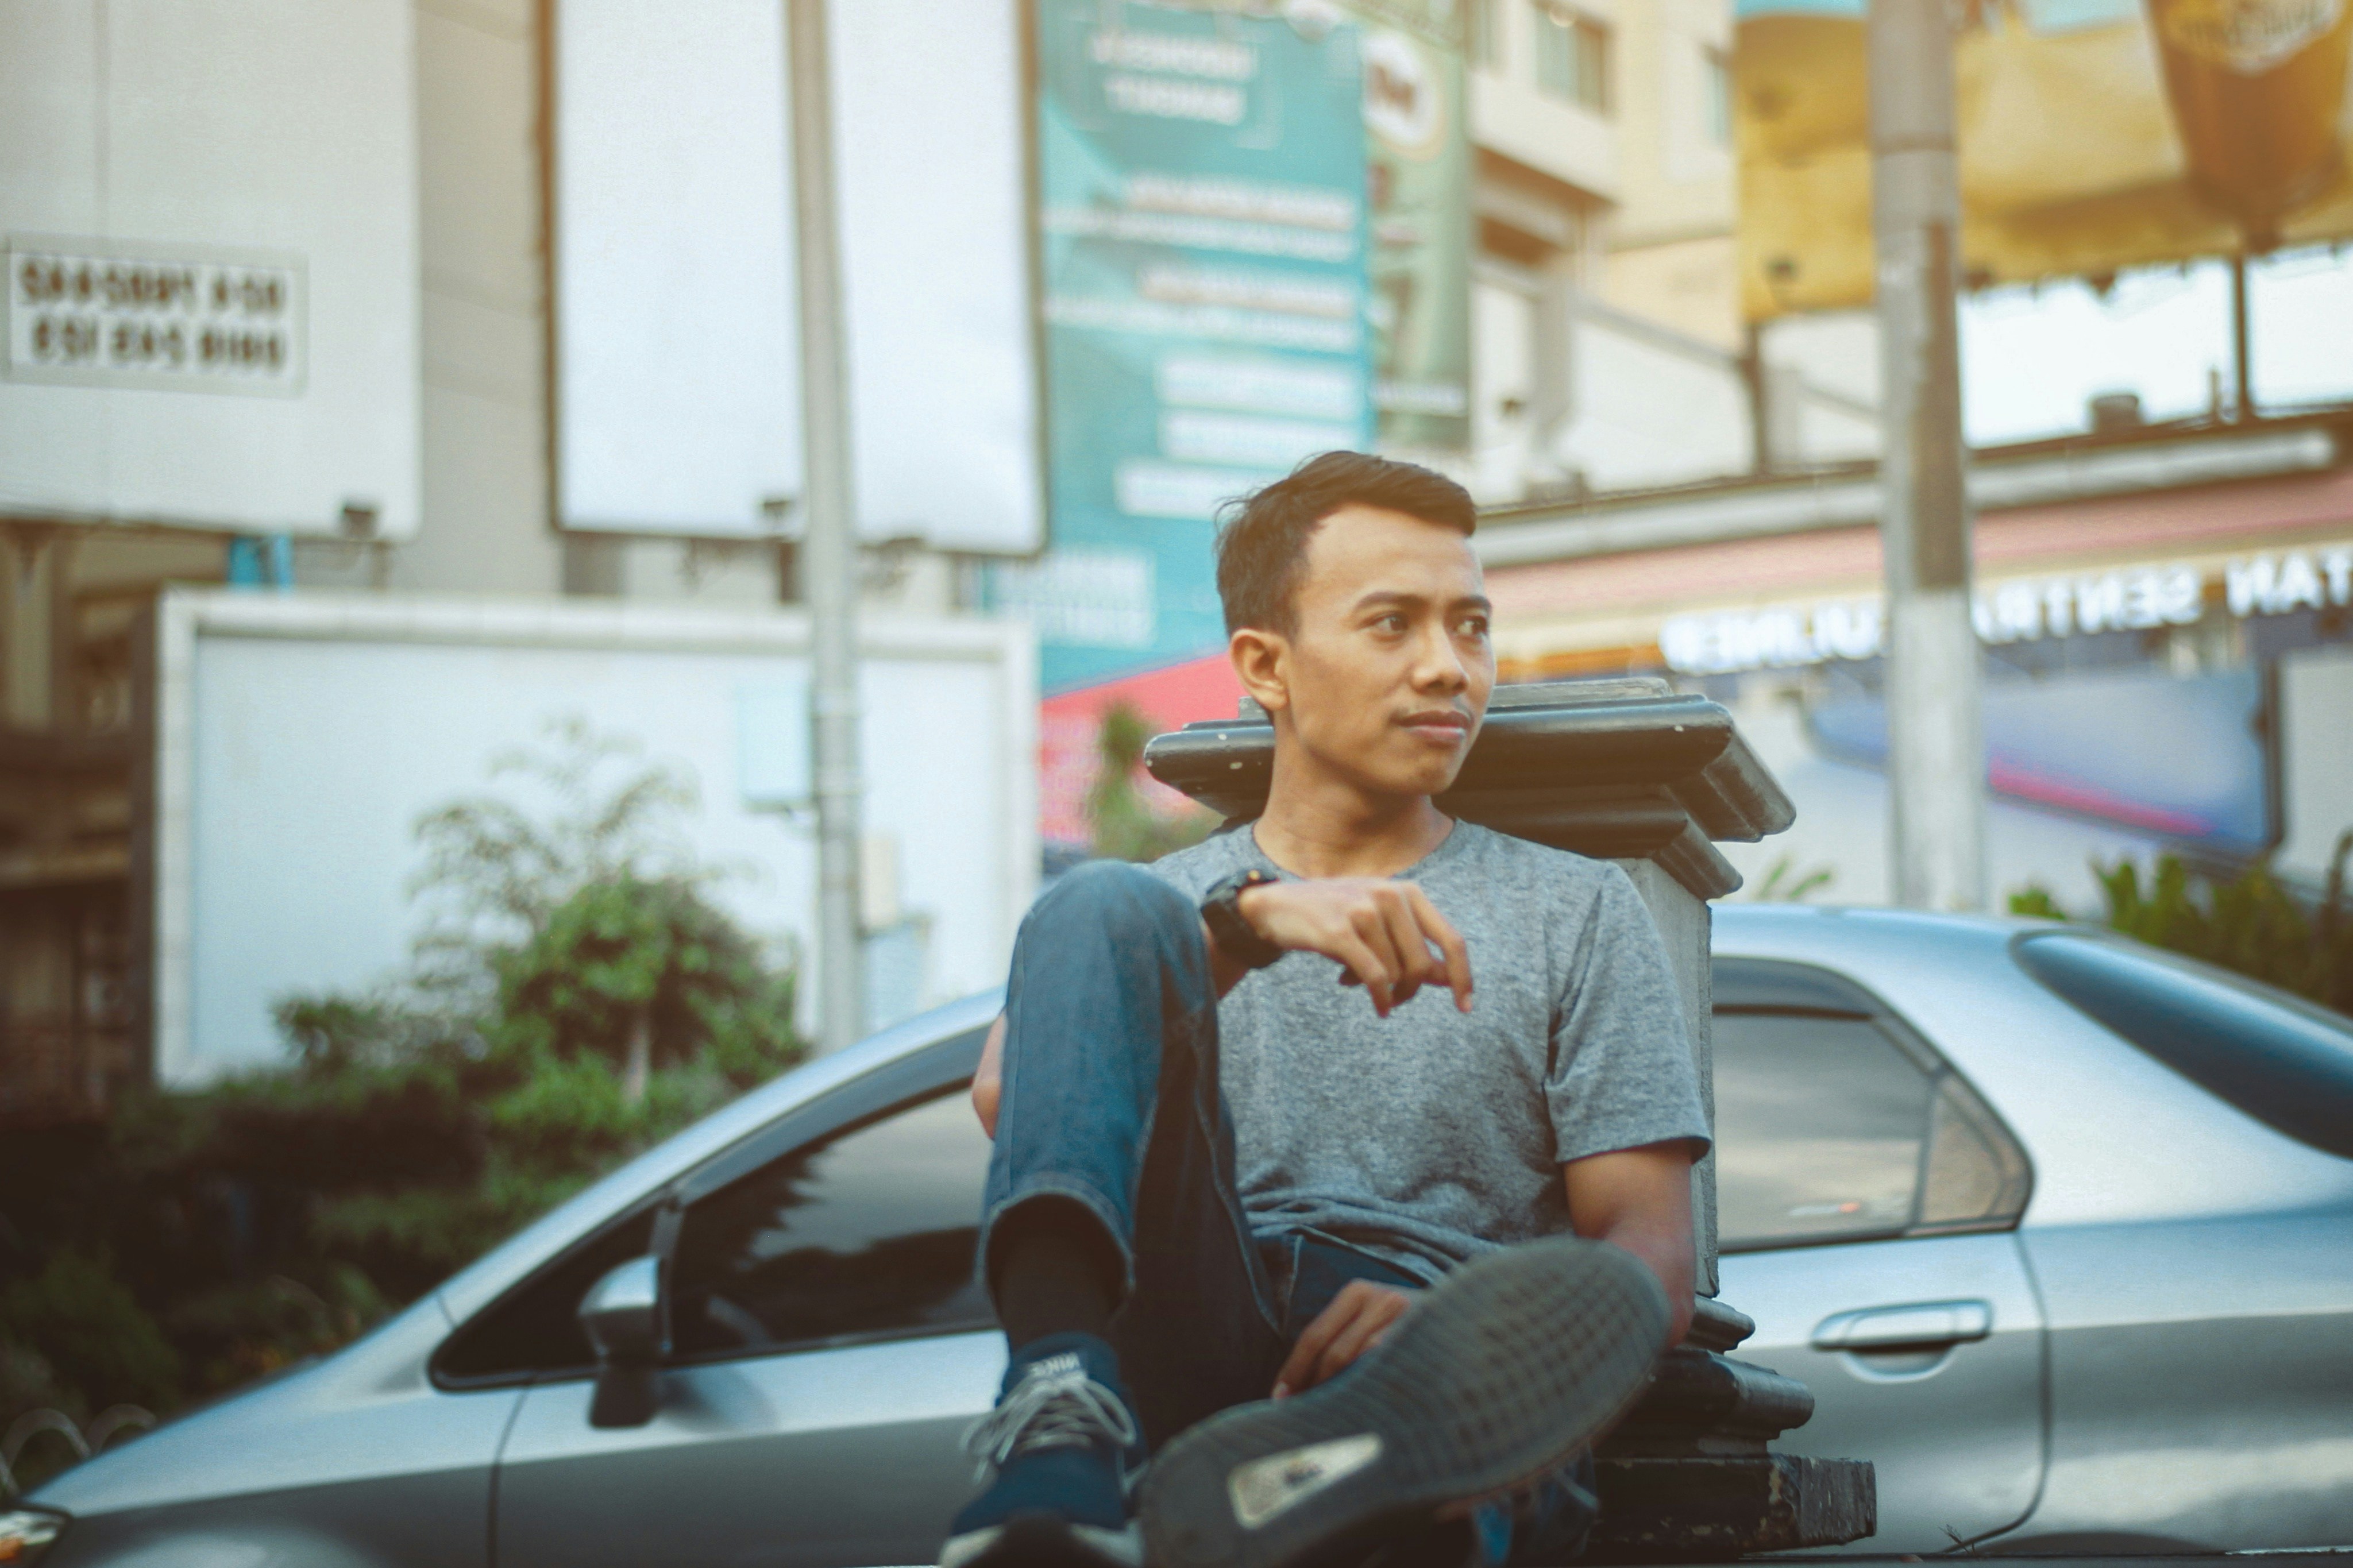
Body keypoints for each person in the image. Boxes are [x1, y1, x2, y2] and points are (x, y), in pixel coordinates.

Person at [944, 452, 1711, 1568]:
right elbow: (1010, 1097)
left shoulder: (1573, 908)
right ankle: (1059, 1411)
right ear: (1266, 664)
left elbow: (1649, 1254)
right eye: (1391, 625)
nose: (1448, 669)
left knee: (1419, 1458)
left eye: (1471, 627)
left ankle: (1357, 1475)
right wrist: (1245, 924)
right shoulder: (1165, 914)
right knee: (1102, 901)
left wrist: (1469, 1334)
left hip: (1439, 1363)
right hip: (1196, 1322)